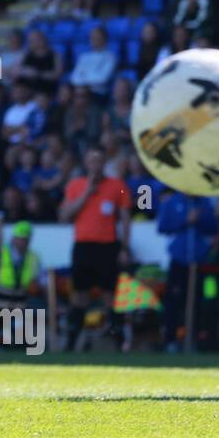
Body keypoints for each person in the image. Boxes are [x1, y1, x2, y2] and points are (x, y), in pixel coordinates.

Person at [59, 147, 131, 351]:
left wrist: (124, 248)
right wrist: (87, 193)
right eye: (91, 161)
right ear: (86, 163)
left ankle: (118, 342)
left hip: (108, 246)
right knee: (79, 295)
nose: (95, 165)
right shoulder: (75, 185)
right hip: (83, 246)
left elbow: (126, 217)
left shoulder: (118, 186)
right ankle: (72, 341)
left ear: (105, 163)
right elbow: (65, 216)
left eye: (99, 160)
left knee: (111, 296)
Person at [156, 190, 217, 352]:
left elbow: (213, 228)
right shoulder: (171, 202)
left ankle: (194, 339)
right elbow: (162, 227)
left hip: (198, 262)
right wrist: (185, 220)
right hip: (178, 261)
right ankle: (171, 340)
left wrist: (200, 219)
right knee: (173, 302)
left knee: (197, 302)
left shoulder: (205, 203)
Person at [0, 221, 41, 310]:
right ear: (13, 238)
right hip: (0, 297)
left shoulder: (34, 257)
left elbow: (36, 279)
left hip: (20, 298)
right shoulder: (0, 253)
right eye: (20, 238)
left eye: (26, 239)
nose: (23, 242)